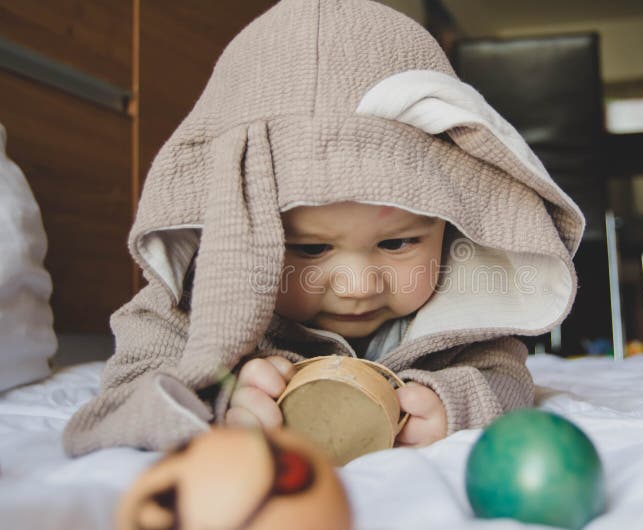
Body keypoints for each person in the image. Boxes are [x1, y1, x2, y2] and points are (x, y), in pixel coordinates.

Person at [62, 0, 584, 457]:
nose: (357, 286)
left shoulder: (461, 312)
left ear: (450, 226)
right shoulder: (187, 310)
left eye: (397, 242)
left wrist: (455, 403)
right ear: (237, 228)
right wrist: (219, 397)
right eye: (310, 248)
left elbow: (507, 377)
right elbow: (126, 394)